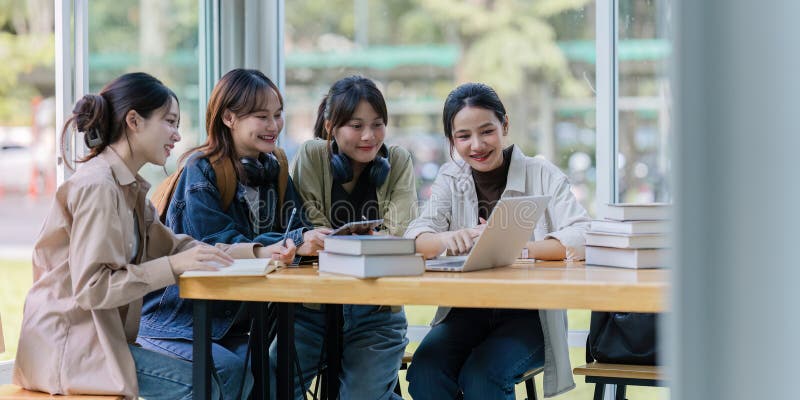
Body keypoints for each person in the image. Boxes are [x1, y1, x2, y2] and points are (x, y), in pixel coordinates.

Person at [12, 72, 285, 400]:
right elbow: (93, 289)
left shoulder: (127, 188)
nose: (177, 134)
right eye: (169, 121)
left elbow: (175, 245)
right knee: (203, 385)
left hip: (100, 343)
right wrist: (172, 267)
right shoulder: (99, 188)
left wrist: (255, 253)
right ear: (134, 121)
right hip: (69, 351)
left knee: (228, 374)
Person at [138, 68, 328, 400]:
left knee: (272, 367)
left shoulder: (274, 168)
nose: (273, 125)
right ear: (229, 117)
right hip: (180, 320)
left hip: (237, 321)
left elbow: (297, 227)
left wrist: (311, 240)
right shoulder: (200, 170)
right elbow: (217, 244)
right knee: (231, 370)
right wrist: (293, 243)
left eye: (278, 115)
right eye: (261, 116)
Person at [404, 82, 590, 400]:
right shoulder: (451, 178)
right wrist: (452, 237)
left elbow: (583, 234)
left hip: (529, 316)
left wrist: (522, 247)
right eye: (463, 136)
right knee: (426, 373)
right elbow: (414, 238)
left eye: (487, 131)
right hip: (467, 311)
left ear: (504, 125)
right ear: (451, 140)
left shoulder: (541, 173)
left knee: (482, 376)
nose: (477, 145)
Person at [286, 75, 417, 399]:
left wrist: (339, 241)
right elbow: (310, 227)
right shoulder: (313, 155)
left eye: (377, 124)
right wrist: (370, 239)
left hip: (376, 313)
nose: (369, 136)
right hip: (312, 312)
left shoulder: (397, 159)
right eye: (356, 126)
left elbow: (400, 232)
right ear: (331, 125)